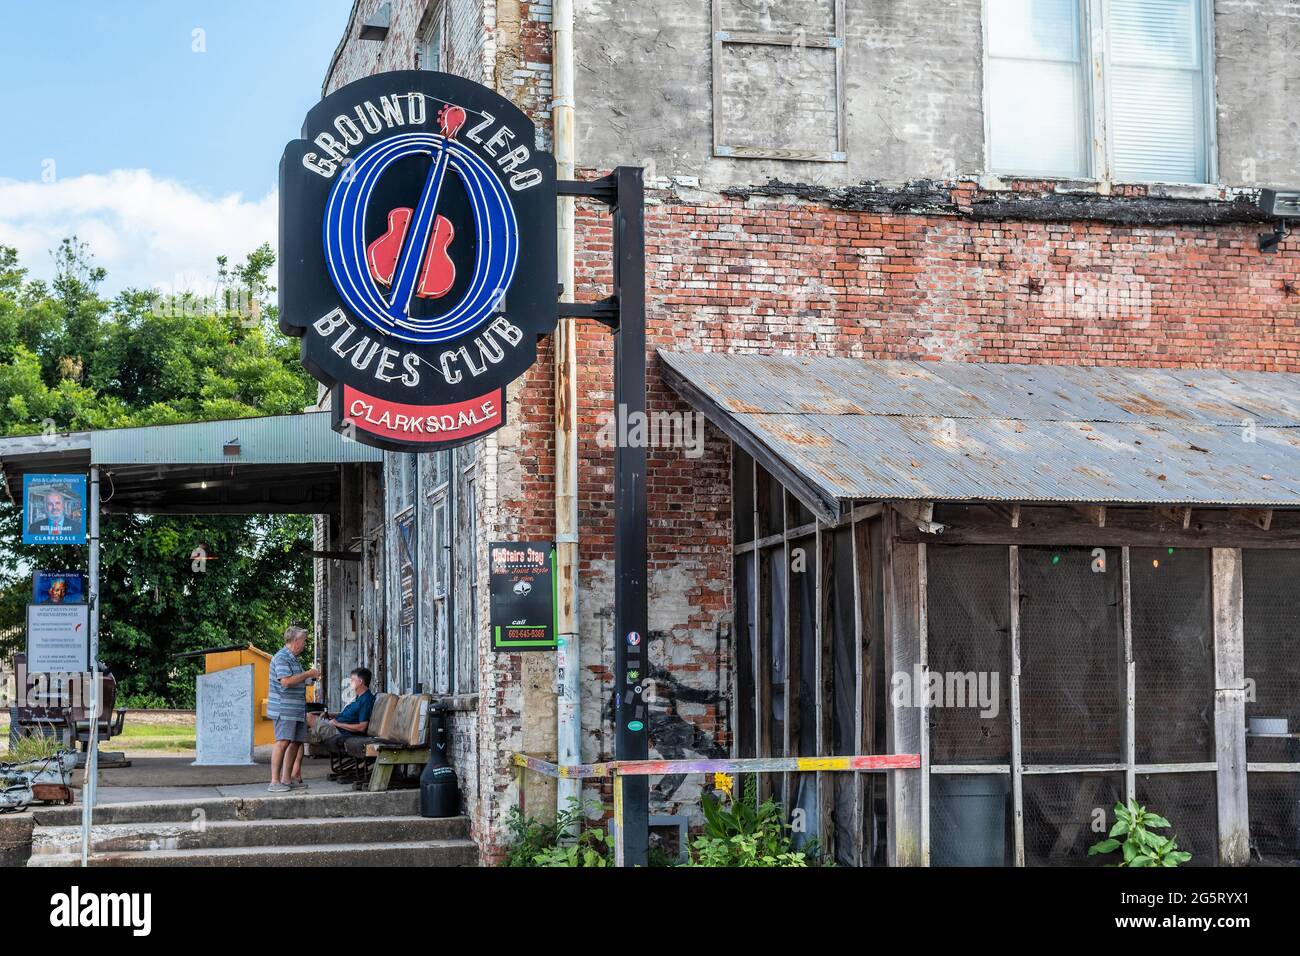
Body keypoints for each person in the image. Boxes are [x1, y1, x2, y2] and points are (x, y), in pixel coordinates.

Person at [268, 626, 318, 793]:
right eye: (303, 640)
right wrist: (307, 674)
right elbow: (286, 682)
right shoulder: (282, 657)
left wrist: (309, 678)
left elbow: (296, 680)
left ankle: (286, 779)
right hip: (285, 708)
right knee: (283, 742)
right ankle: (274, 782)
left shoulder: (294, 659)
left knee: (295, 742)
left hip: (296, 708)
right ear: (295, 641)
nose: (304, 644)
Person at [306, 667, 375, 748]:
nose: (350, 682)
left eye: (352, 680)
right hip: (334, 725)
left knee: (308, 717)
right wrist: (329, 714)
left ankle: (314, 737)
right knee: (304, 727)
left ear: (360, 682)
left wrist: (338, 724)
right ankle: (313, 737)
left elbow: (362, 727)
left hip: (339, 731)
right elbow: (346, 715)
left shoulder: (366, 700)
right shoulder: (358, 698)